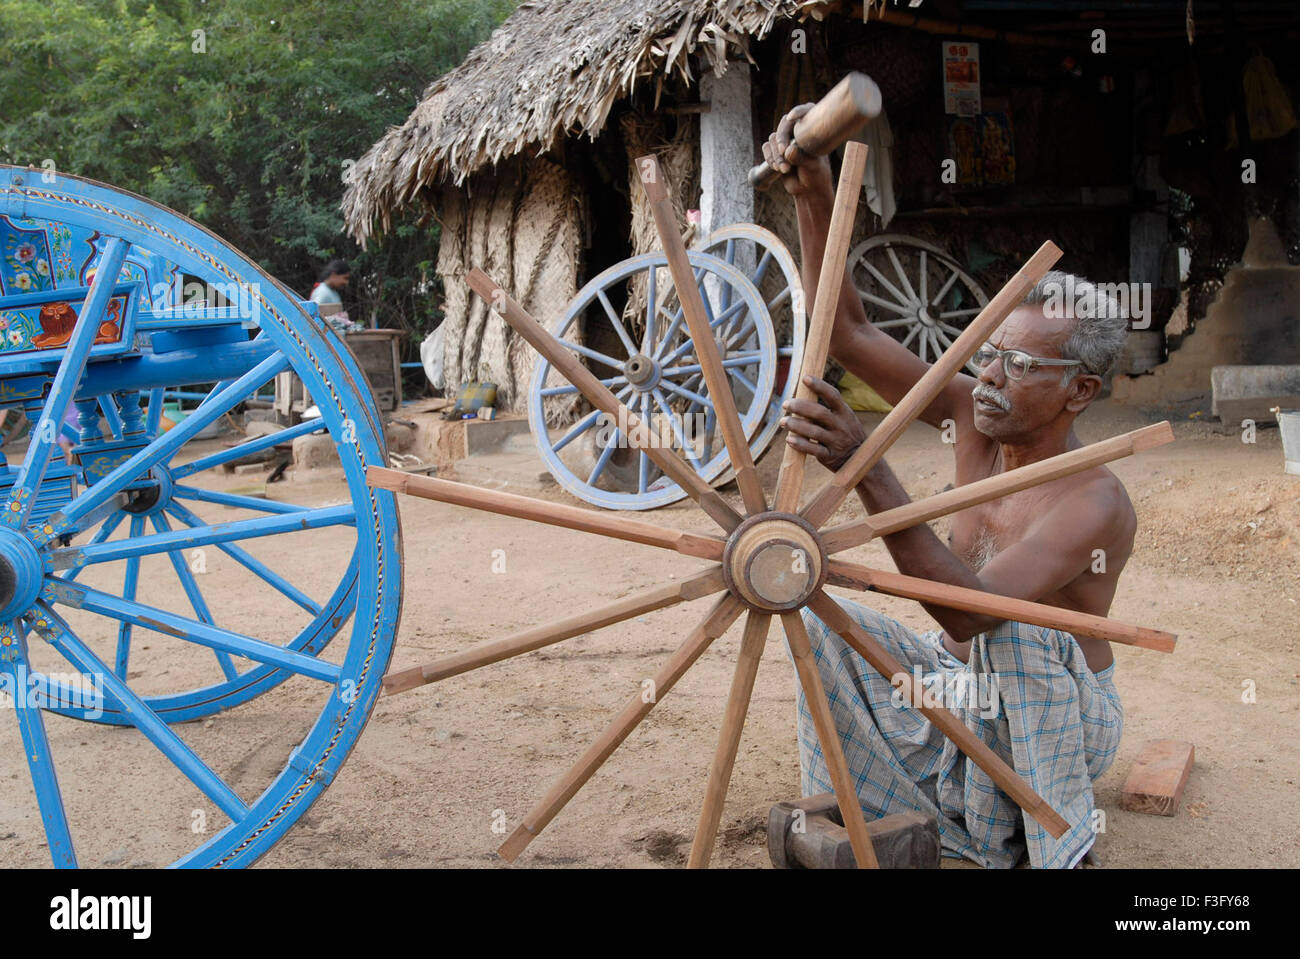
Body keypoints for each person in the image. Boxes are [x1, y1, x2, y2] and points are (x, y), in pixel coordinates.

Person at [763, 105, 1134, 868]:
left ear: (1081, 391)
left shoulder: (1095, 501)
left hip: (1060, 718)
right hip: (960, 690)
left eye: (1021, 366)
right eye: (990, 352)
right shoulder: (973, 411)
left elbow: (971, 617)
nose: (990, 378)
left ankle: (1057, 848)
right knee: (827, 620)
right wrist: (812, 193)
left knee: (1023, 629)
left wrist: (871, 467)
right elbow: (849, 334)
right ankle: (868, 819)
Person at [309, 259, 362, 334]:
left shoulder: (333, 292)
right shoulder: (322, 292)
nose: (346, 282)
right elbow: (313, 318)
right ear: (333, 275)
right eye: (345, 278)